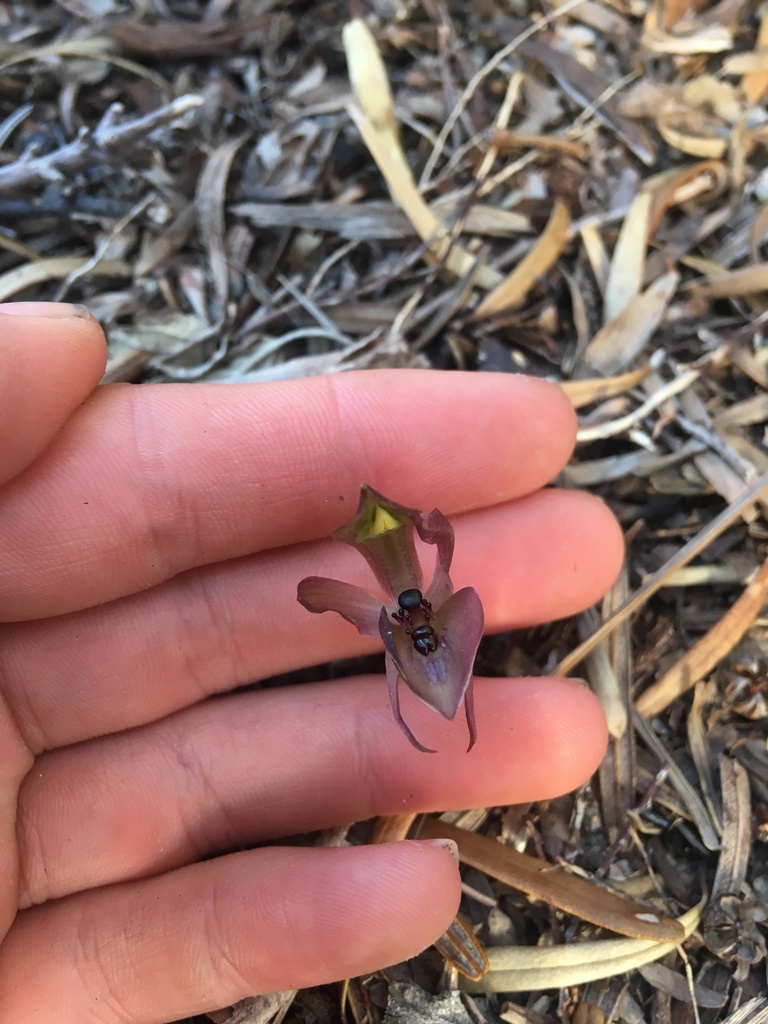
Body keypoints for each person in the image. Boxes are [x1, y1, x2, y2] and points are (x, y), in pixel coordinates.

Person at [0, 301, 622, 1023]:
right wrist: (397, 618)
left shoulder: (419, 586)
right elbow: (321, 594)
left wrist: (412, 620)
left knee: (441, 675)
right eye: (376, 529)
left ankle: (445, 702)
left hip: (403, 610)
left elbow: (424, 553)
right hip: (391, 609)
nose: (386, 532)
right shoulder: (385, 599)